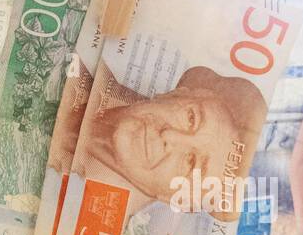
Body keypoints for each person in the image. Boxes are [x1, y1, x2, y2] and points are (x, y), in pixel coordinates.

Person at [75, 64, 269, 220]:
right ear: (174, 95)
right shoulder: (78, 66)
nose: (169, 136)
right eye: (191, 118)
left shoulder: (85, 224)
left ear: (174, 199)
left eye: (190, 163)